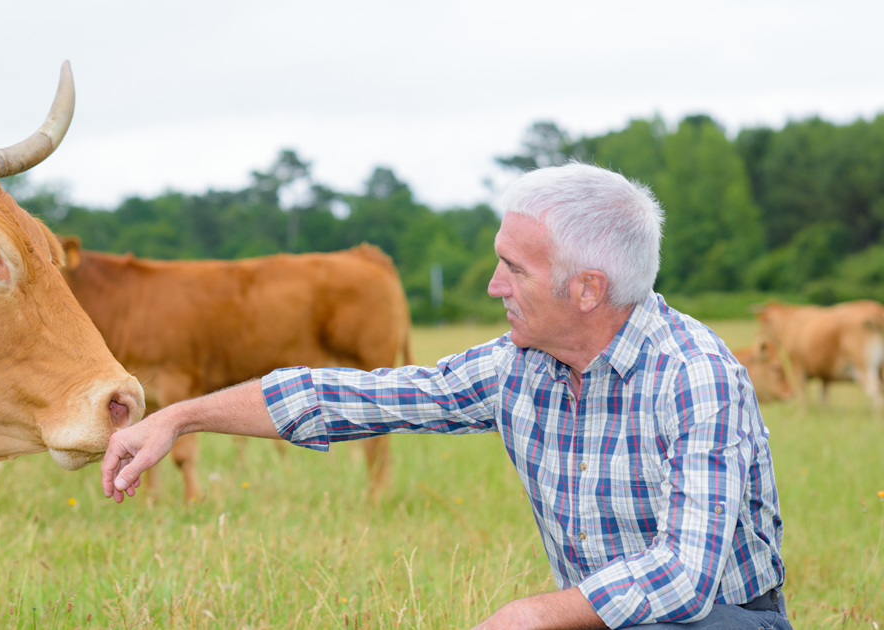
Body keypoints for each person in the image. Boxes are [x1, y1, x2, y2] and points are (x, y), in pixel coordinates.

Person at [101, 163, 789, 629]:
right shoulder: (519, 366)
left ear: (587, 289)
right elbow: (350, 399)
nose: (493, 286)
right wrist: (181, 417)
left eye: (514, 269)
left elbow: (685, 576)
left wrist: (536, 615)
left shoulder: (695, 375)